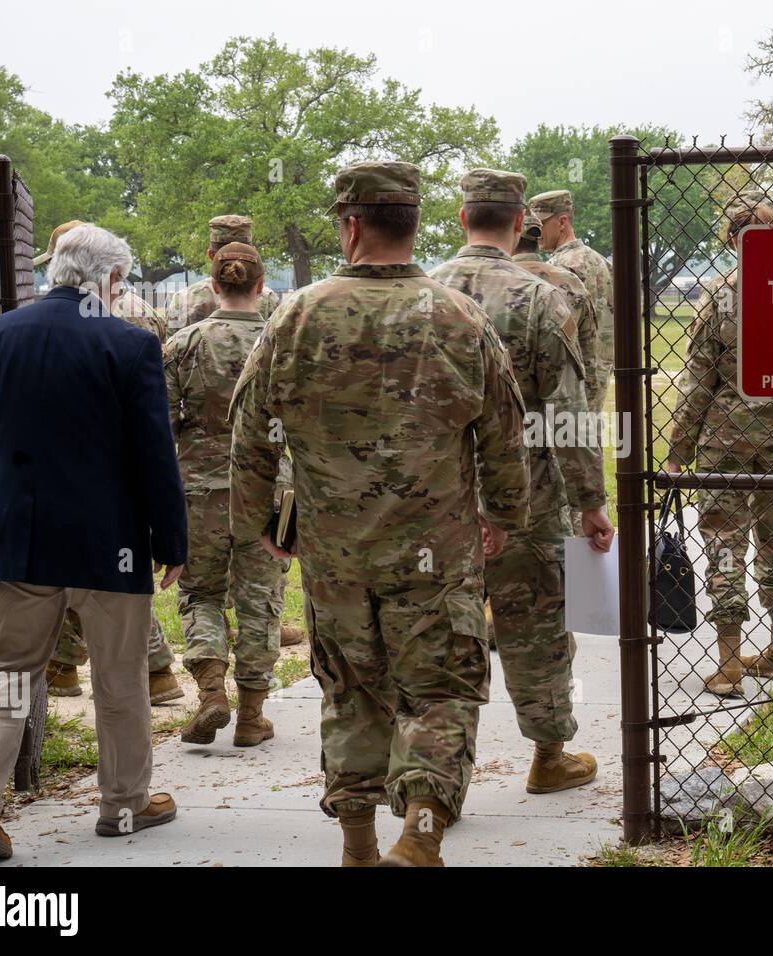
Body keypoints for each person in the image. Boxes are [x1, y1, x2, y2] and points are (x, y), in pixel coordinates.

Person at [229, 161, 530, 867]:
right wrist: (503, 514)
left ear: (351, 225)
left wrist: (260, 526)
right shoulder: (460, 317)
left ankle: (358, 846)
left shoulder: (295, 316)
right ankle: (420, 833)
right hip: (437, 550)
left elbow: (249, 436)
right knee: (440, 688)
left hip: (334, 553)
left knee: (350, 690)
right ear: (415, 224)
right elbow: (504, 433)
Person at [0, 224, 187, 860]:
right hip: (110, 543)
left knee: (3, 670)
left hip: (13, 537)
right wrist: (171, 539)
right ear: (109, 278)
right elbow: (154, 452)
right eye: (121, 282)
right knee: (120, 674)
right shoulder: (130, 344)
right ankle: (124, 803)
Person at [431, 169, 613, 797]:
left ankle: (439, 775)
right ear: (519, 223)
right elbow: (567, 412)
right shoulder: (540, 299)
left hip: (441, 496)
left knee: (444, 630)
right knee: (536, 624)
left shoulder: (424, 294)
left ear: (463, 219)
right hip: (529, 490)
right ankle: (548, 755)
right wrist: (590, 500)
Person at [664, 191, 773, 697]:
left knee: (725, 544)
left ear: (731, 240)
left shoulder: (721, 297)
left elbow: (697, 382)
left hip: (725, 437)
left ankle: (728, 664)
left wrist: (678, 453)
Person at [34, 220, 183, 704]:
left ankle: (147, 668)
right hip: (139, 448)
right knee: (111, 573)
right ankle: (138, 671)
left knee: (86, 575)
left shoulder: (87, 317)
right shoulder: (144, 312)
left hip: (86, 455)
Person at [163, 242, 293, 748]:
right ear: (262, 286)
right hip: (270, 491)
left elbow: (162, 424)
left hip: (200, 491)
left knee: (201, 593)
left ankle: (212, 691)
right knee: (261, 598)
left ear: (213, 284)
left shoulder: (184, 344)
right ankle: (252, 716)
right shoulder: (283, 343)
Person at [512, 210, 602, 535]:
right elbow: (586, 368)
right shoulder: (569, 285)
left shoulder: (468, 283)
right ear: (536, 237)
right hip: (555, 435)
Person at [530, 189, 614, 465]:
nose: (536, 232)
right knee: (589, 451)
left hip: (570, 378)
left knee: (564, 459)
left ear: (562, 221)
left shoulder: (559, 268)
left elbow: (556, 330)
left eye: (541, 224)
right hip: (599, 370)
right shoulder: (600, 261)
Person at [165, 215, 281, 334]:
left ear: (210, 254)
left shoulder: (183, 299)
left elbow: (171, 342)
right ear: (253, 253)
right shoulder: (269, 300)